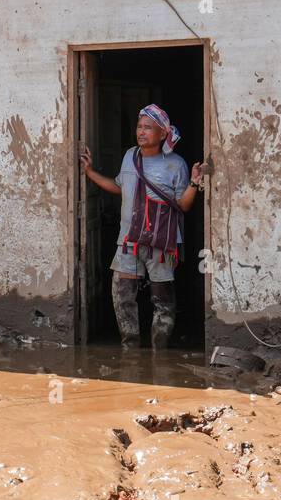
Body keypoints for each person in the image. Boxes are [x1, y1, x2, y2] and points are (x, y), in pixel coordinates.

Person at [80, 104, 204, 349]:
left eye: (148, 127)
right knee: (122, 295)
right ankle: (131, 348)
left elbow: (183, 205)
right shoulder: (130, 156)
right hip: (128, 241)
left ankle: (160, 352)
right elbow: (119, 187)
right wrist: (89, 172)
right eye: (139, 126)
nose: (141, 131)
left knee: (163, 299)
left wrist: (193, 183)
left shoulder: (175, 164)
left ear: (162, 134)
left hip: (162, 243)